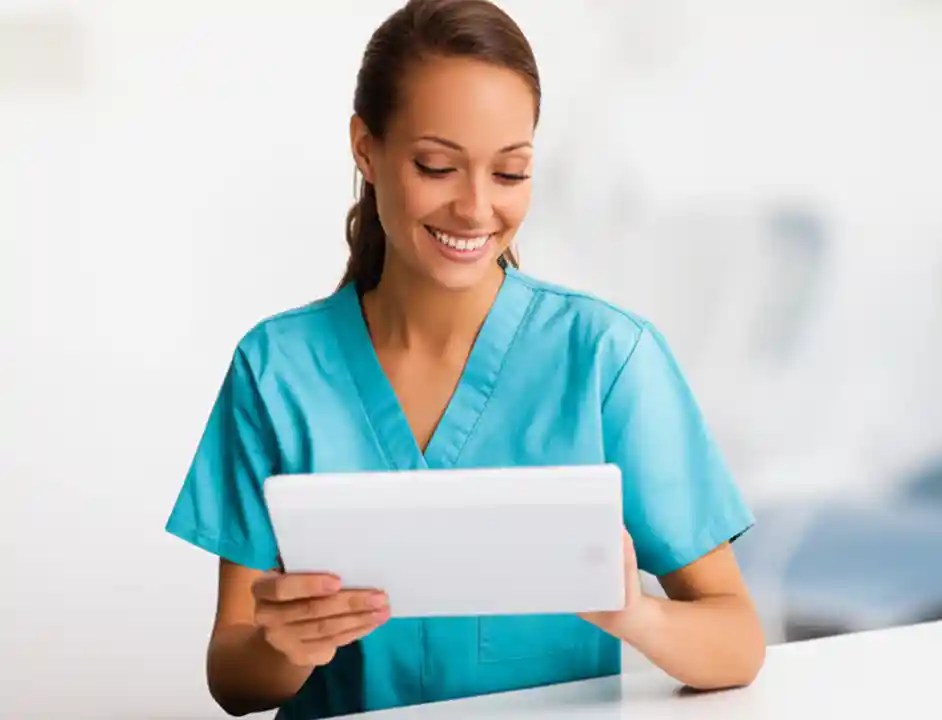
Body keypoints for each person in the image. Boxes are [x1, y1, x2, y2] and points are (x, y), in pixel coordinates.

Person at [164, 1, 764, 717]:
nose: (477, 208)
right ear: (366, 148)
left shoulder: (607, 359)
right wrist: (289, 646)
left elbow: (738, 640)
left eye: (510, 173)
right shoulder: (277, 370)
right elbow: (233, 676)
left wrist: (635, 613)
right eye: (438, 166)